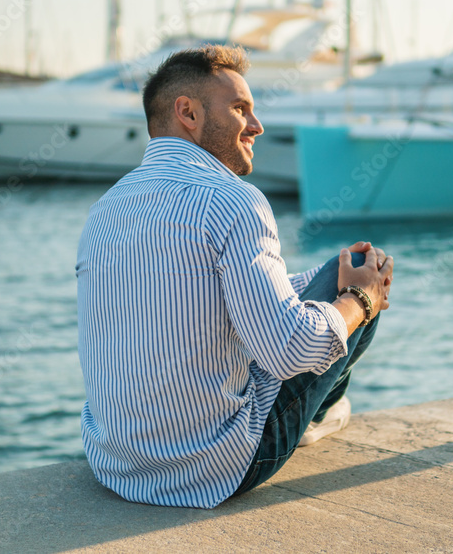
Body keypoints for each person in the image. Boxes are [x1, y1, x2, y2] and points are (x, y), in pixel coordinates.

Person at [76, 44, 393, 508]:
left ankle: (321, 392)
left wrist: (325, 282)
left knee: (335, 272)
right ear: (188, 112)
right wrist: (358, 299)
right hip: (212, 466)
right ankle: (316, 416)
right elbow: (289, 350)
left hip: (115, 462)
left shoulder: (104, 209)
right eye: (241, 109)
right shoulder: (234, 201)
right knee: (366, 272)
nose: (257, 126)